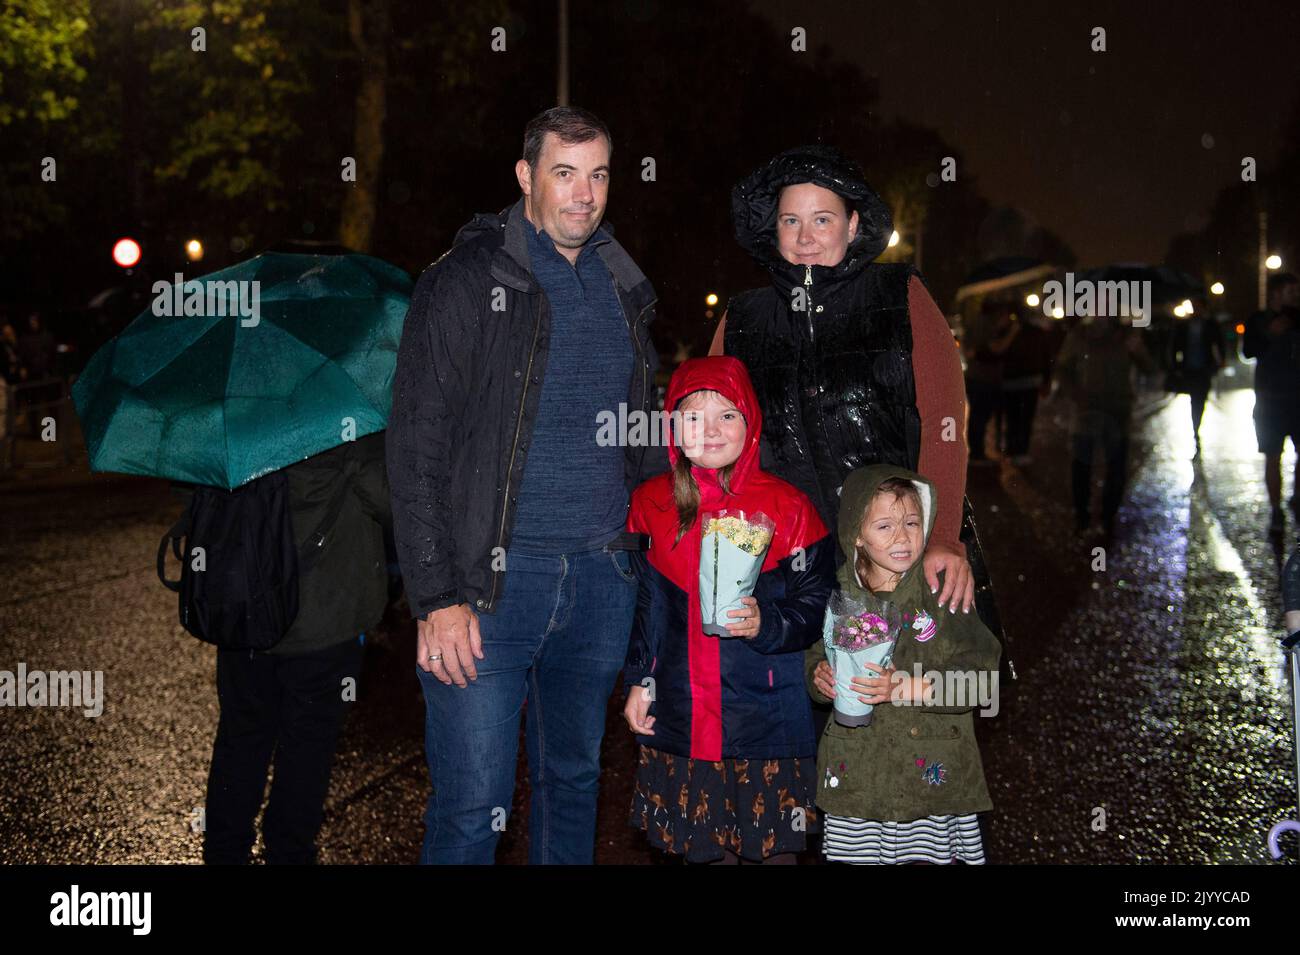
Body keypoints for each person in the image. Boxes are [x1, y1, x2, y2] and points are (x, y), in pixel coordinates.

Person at [386, 106, 667, 864]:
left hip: (602, 575)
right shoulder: (465, 281)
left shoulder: (622, 284)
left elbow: (645, 435)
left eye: (599, 174)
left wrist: (663, 560)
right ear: (525, 177)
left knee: (574, 781)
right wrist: (436, 596)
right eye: (564, 173)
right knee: (474, 807)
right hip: (488, 586)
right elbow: (415, 448)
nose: (585, 193)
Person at [711, 145, 1004, 648]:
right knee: (802, 707)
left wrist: (941, 539)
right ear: (773, 230)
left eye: (822, 220)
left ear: (852, 225)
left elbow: (943, 425)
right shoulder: (742, 318)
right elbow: (708, 435)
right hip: (783, 567)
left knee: (895, 709)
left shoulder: (901, 295)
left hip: (893, 561)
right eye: (790, 221)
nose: (805, 238)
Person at [621, 356, 836, 864]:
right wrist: (638, 680)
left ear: (751, 423)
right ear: (672, 426)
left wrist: (769, 622)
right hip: (683, 719)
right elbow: (645, 608)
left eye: (727, 415)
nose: (710, 430)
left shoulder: (790, 507)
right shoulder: (650, 504)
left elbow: (818, 604)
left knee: (771, 854)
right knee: (701, 853)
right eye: (693, 416)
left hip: (763, 725)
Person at [203, 431, 391, 864]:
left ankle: (223, 851)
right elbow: (390, 502)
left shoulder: (234, 421)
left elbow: (192, 492)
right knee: (307, 749)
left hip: (245, 616)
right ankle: (289, 851)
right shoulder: (343, 426)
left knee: (239, 741)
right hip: (325, 623)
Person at [806, 465, 1001, 864]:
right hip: (858, 785)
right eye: (884, 526)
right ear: (857, 534)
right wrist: (818, 676)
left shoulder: (942, 593)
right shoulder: (839, 597)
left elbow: (983, 681)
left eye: (912, 522)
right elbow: (815, 652)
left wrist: (907, 687)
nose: (902, 536)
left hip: (930, 786)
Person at [1055, 311, 1156, 538]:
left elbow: (1150, 368)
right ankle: (1082, 519)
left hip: (1118, 411)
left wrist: (1138, 350)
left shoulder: (1127, 334)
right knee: (1081, 467)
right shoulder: (1079, 334)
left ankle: (1107, 519)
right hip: (1087, 412)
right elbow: (1063, 368)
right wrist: (1077, 395)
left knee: (1116, 469)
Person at [1242, 272, 1300, 532]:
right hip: (1270, 401)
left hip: (1297, 399)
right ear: (1276, 293)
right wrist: (1269, 334)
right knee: (1272, 456)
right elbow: (1247, 352)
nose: (1295, 295)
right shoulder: (1257, 320)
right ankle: (1276, 509)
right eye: (1290, 291)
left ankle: (1296, 499)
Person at [1166, 294, 1225, 456]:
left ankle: (1196, 426)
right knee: (1195, 400)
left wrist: (1218, 362)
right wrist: (1175, 366)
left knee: (1200, 400)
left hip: (1203, 369)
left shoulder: (1210, 325)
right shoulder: (1183, 325)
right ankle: (1195, 428)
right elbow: (1175, 346)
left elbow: (1219, 343)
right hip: (1189, 369)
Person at [963, 301, 1017, 465]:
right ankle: (977, 453)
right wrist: (1012, 332)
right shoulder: (987, 326)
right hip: (983, 378)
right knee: (981, 416)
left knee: (978, 416)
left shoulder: (975, 323)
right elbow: (995, 349)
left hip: (977, 377)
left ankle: (977, 451)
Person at [999, 307, 1054, 465]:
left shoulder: (1018, 332)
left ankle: (1015, 450)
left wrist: (1046, 379)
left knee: (1015, 418)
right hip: (1022, 381)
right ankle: (1018, 451)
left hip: (1019, 381)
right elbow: (1046, 358)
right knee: (1022, 419)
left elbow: (1045, 357)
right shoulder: (1032, 332)